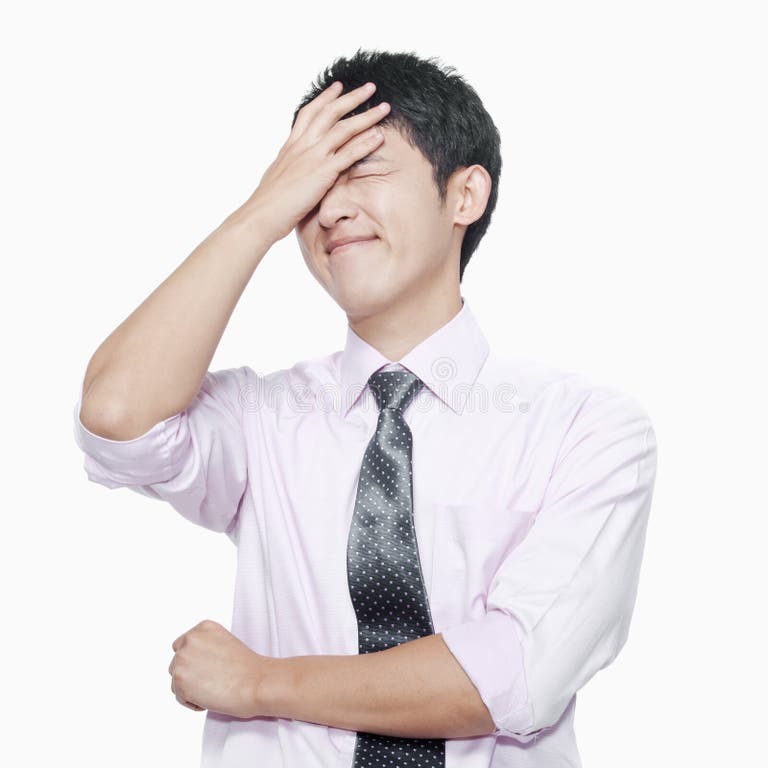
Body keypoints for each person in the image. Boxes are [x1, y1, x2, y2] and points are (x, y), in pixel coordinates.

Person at [72, 48, 657, 768]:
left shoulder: (585, 429)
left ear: (464, 196)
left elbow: (512, 674)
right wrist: (259, 212)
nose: (332, 208)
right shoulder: (262, 417)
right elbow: (115, 415)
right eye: (311, 186)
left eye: (364, 172)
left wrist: (259, 683)